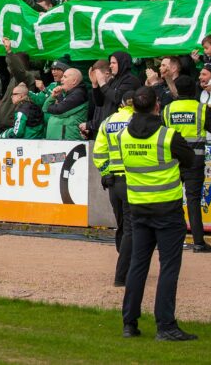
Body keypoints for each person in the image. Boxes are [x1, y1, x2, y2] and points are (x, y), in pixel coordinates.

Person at [120, 86, 197, 341]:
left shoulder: (124, 136)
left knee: (138, 266)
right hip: (167, 210)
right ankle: (165, 326)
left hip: (139, 208)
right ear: (157, 107)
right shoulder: (167, 135)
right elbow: (190, 161)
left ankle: (129, 323)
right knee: (168, 268)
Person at [162, 76, 211, 253]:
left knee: (172, 200)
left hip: (172, 160)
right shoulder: (201, 109)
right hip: (195, 160)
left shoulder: (167, 109)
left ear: (177, 90)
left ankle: (170, 240)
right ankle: (198, 243)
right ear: (194, 90)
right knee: (193, 201)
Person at [91, 90, 134, 287]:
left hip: (113, 182)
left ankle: (124, 260)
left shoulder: (108, 121)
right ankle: (124, 269)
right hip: (132, 180)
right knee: (131, 228)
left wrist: (107, 172)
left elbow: (99, 152)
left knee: (122, 224)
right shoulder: (138, 120)